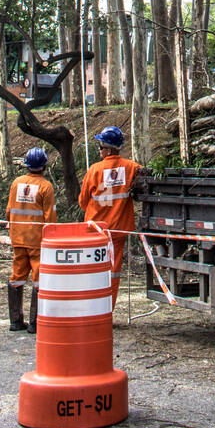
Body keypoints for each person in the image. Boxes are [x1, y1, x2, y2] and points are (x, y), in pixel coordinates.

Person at [78, 127, 143, 311]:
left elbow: (83, 202)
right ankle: (107, 310)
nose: (99, 151)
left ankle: (91, 308)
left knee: (92, 270)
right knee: (113, 273)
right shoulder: (132, 168)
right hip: (118, 231)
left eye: (100, 147)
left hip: (95, 232)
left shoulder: (94, 170)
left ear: (107, 149)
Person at [5, 147, 57, 334]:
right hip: (37, 241)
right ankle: (35, 322)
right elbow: (50, 217)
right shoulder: (46, 187)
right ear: (43, 166)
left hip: (18, 238)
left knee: (17, 276)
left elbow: (9, 210)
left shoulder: (17, 183)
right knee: (38, 280)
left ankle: (15, 321)